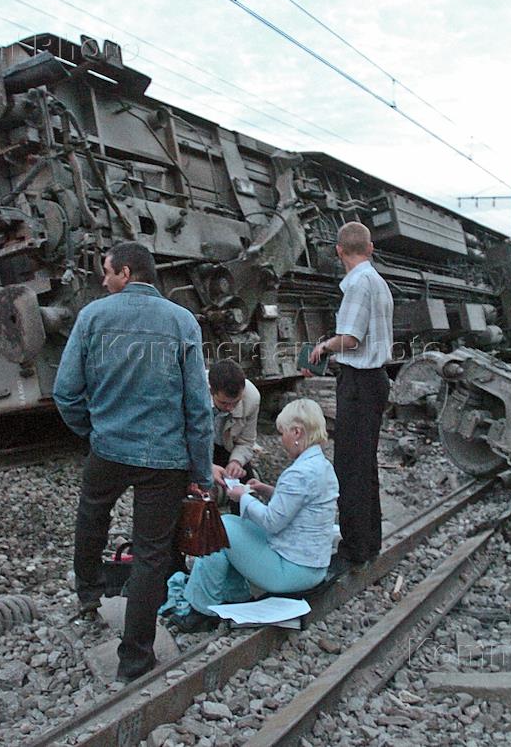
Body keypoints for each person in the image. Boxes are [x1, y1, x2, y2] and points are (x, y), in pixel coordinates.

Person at [53, 241, 214, 682]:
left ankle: (88, 593)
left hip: (108, 447)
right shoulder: (183, 322)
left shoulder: (93, 318)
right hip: (166, 458)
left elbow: (65, 393)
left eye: (106, 272)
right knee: (151, 555)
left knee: (92, 514)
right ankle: (136, 660)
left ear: (126, 272)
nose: (103, 281)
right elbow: (198, 407)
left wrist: (92, 431)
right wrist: (202, 472)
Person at [172, 398, 338, 632]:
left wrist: (243, 497)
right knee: (227, 523)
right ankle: (232, 594)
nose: (282, 441)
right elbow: (296, 507)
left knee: (217, 529)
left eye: (283, 433)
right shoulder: (321, 465)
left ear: (297, 432)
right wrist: (266, 490)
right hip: (313, 566)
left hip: (292, 571)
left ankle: (201, 608)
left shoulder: (299, 473)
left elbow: (272, 522)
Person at [308, 221, 393, 569]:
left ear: (339, 251)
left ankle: (354, 548)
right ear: (370, 248)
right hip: (374, 379)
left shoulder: (358, 284)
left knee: (350, 467)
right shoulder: (379, 282)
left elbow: (352, 339)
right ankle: (370, 541)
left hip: (359, 382)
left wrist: (323, 346)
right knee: (365, 463)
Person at [208, 359, 260, 484]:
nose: (230, 408)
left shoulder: (252, 398)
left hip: (228, 447)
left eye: (235, 402)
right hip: (195, 448)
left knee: (247, 486)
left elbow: (246, 441)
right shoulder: (193, 392)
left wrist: (236, 461)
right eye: (224, 403)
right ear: (211, 391)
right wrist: (205, 466)